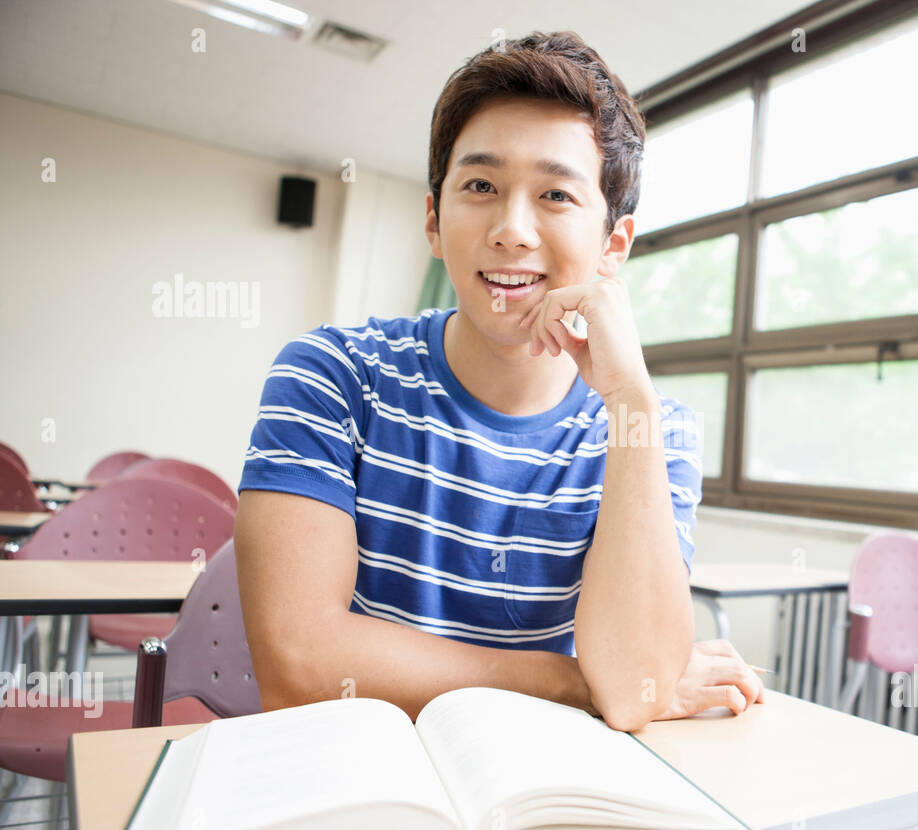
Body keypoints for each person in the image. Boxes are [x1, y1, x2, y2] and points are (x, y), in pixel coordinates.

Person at [234, 30, 764, 732]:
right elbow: (298, 666)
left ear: (613, 246)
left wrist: (629, 397)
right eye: (481, 186)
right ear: (434, 220)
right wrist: (577, 682)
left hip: (552, 784)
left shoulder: (652, 427)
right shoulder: (332, 376)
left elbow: (633, 687)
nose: (512, 230)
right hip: (356, 771)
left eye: (556, 194)